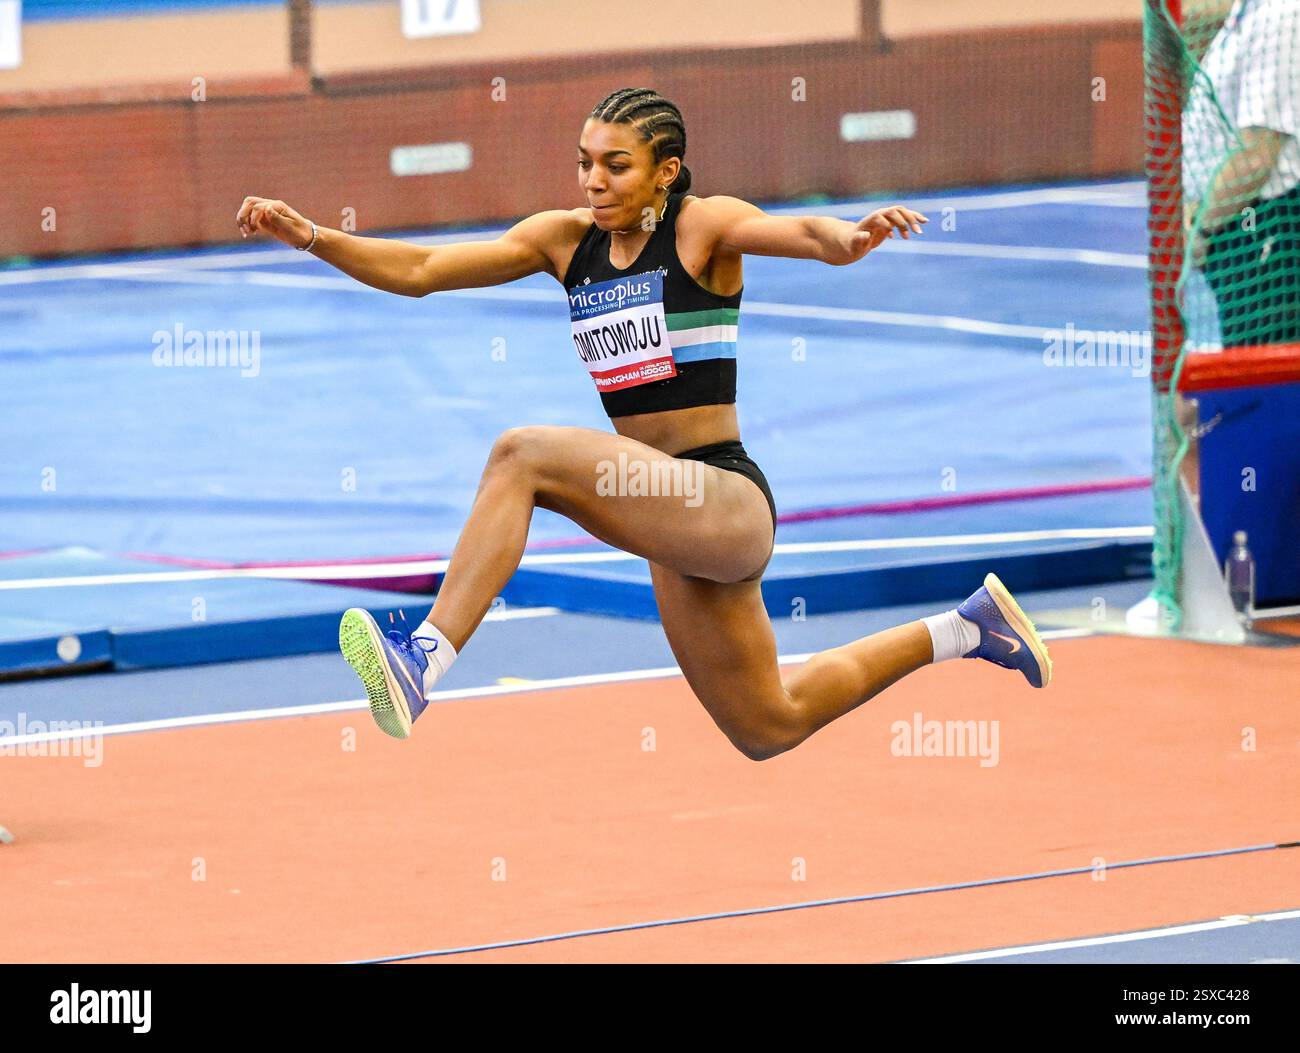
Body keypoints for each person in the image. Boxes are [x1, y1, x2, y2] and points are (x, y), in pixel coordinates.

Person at [237, 87, 1052, 760]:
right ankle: (966, 627)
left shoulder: (700, 228)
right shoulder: (563, 243)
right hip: (665, 517)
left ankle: (423, 659)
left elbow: (797, 229)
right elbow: (419, 270)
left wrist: (847, 238)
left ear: (664, 173)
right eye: (585, 162)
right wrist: (310, 235)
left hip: (725, 499)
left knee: (521, 455)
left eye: (615, 166)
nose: (593, 181)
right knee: (769, 723)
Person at [1183, 0, 1300, 346]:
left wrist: (1200, 227)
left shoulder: (1279, 15)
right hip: (1241, 230)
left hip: (1264, 230)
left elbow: (1256, 156)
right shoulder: (1249, 10)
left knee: (1263, 388)